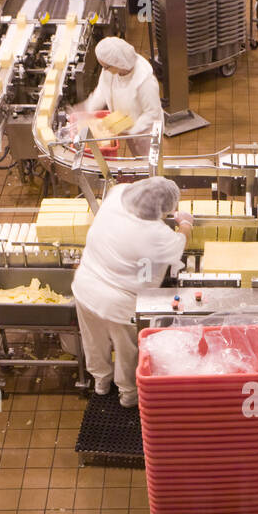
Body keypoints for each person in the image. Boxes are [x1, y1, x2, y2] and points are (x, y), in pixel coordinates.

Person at [71, 177, 191, 407]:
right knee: (127, 352)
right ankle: (128, 396)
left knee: (94, 343)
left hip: (85, 288)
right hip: (120, 305)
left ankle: (100, 383)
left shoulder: (117, 195)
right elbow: (180, 243)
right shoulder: (158, 235)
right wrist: (185, 224)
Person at [73, 37, 163, 158]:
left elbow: (152, 113)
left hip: (146, 132)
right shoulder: (111, 70)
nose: (104, 70)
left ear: (118, 63)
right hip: (127, 127)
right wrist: (87, 109)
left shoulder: (145, 81)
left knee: (147, 161)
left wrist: (131, 131)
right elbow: (101, 91)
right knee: (136, 156)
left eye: (106, 67)